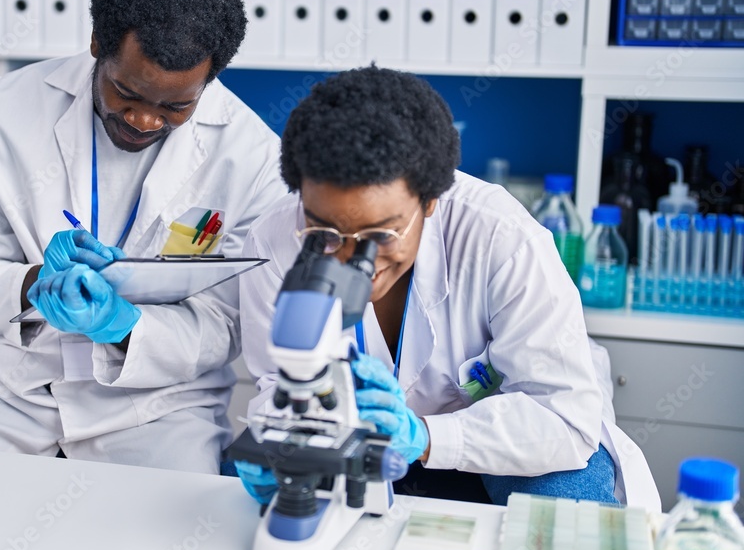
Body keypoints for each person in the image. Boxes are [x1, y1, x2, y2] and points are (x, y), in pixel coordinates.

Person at [0, 0, 287, 474]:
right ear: (96, 44)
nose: (144, 120)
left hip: (158, 405)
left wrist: (122, 323)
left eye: (175, 106)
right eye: (126, 92)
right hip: (14, 391)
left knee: (168, 545)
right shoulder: (2, 112)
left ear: (209, 80)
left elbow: (225, 326)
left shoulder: (251, 159)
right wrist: (35, 283)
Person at [234, 66, 661, 510]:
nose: (351, 258)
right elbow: (276, 383)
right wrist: (274, 437)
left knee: (562, 518)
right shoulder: (276, 239)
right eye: (325, 232)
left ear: (431, 199)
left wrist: (422, 436)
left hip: (512, 442)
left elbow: (563, 417)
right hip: (350, 440)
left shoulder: (502, 236)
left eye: (381, 235)